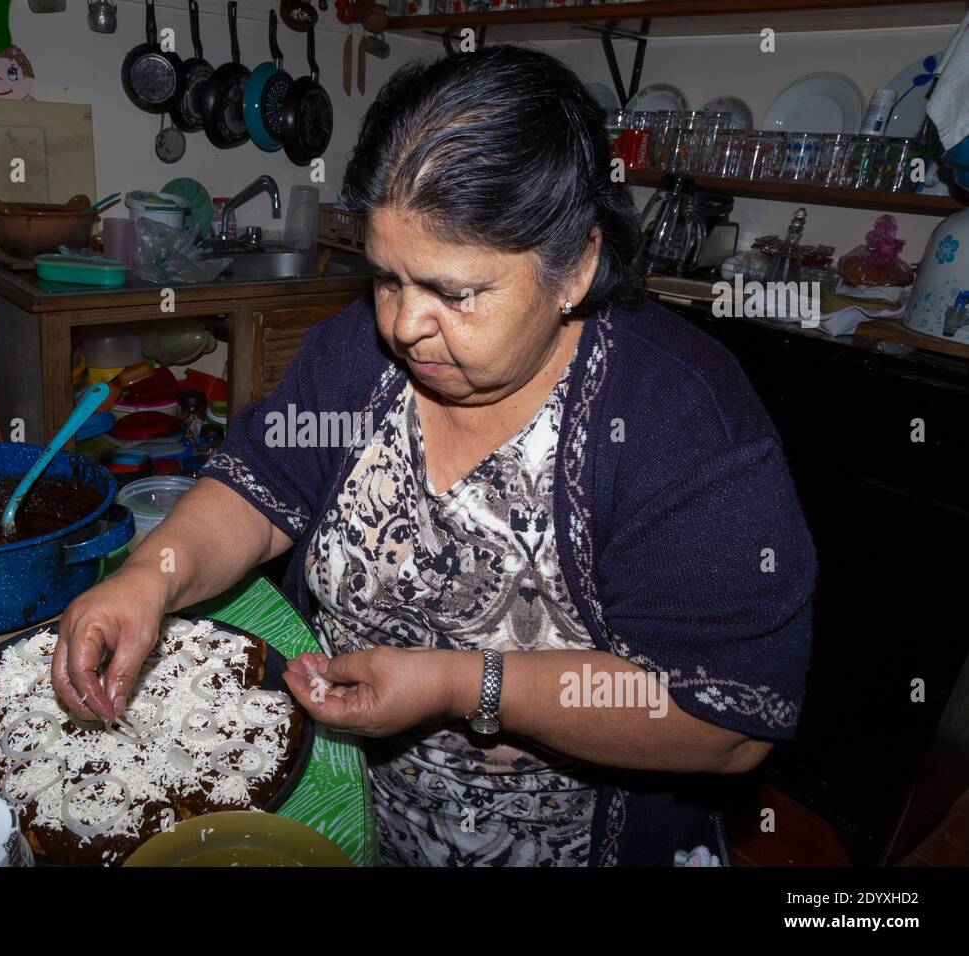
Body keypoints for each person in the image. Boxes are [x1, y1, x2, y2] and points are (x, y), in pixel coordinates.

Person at [52, 45, 816, 866]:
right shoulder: (358, 358)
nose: (404, 326)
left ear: (577, 267)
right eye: (387, 278)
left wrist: (465, 685)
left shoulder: (682, 423)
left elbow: (724, 722)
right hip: (362, 816)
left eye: (456, 293)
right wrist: (149, 576)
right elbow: (258, 486)